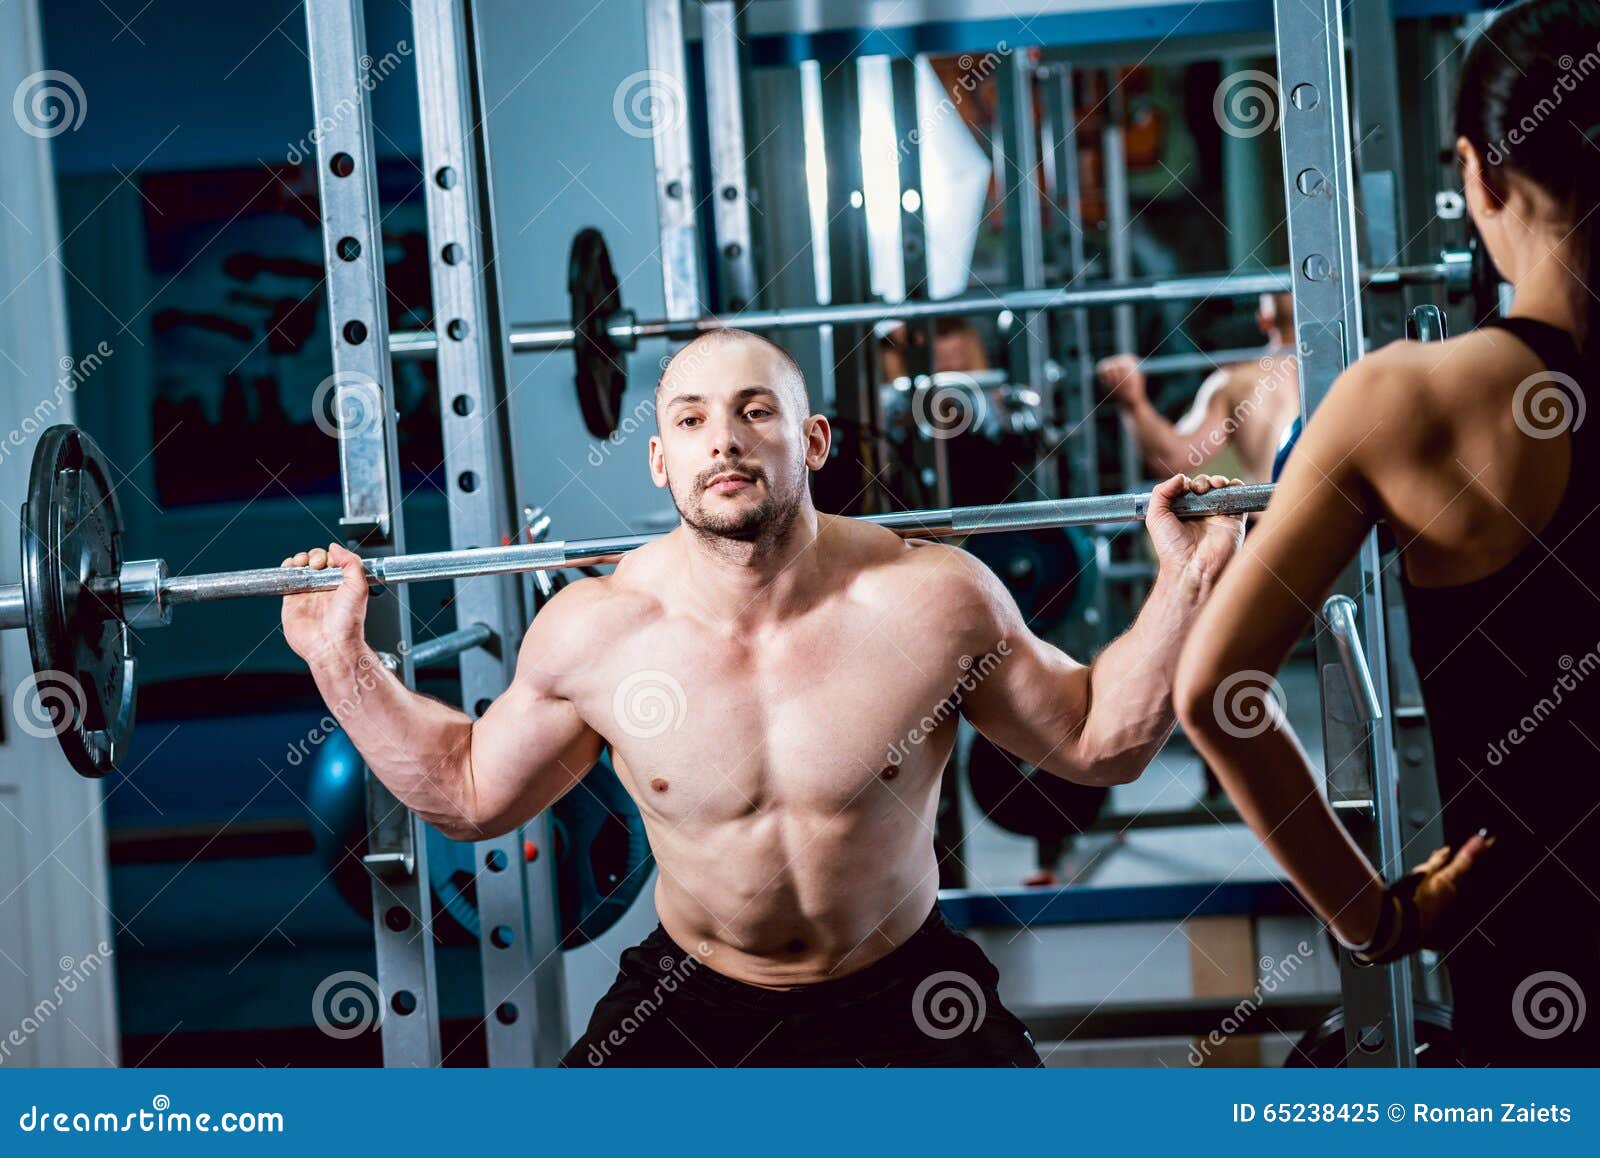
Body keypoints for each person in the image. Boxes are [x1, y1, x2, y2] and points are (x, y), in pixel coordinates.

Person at [281, 327, 1247, 1067]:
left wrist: (1188, 581)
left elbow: (1099, 742)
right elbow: (468, 794)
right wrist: (340, 660)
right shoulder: (596, 632)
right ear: (660, 460)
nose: (724, 442)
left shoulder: (934, 600)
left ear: (813, 440)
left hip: (906, 990)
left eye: (756, 412)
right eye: (690, 421)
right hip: (693, 999)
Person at [1174, 0, 1599, 1065]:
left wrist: (1376, 918)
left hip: (1540, 960)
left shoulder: (1409, 401)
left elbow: (1214, 694)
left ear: (1479, 174)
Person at [1096, 293, 1299, 483]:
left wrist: (1134, 401)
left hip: (1274, 511)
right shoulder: (1325, 379)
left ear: (1263, 320)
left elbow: (1172, 459)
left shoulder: (1235, 382)